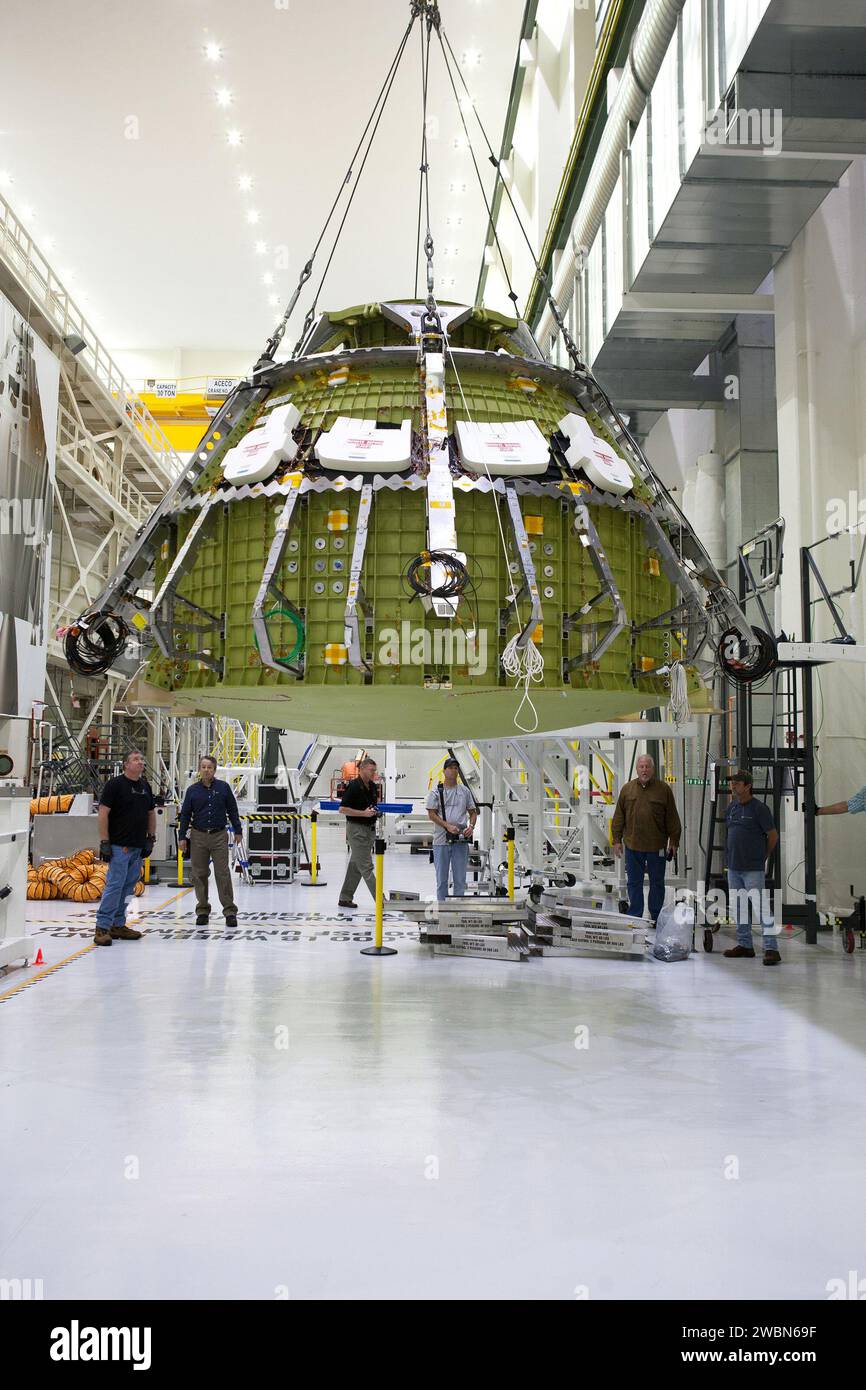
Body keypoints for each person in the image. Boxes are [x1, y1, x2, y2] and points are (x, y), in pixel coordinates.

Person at [94, 749, 155, 947]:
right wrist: (104, 841)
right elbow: (103, 813)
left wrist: (151, 838)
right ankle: (102, 927)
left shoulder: (145, 786)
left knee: (129, 887)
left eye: (141, 759)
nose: (140, 762)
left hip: (137, 847)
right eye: (136, 759)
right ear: (126, 764)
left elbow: (150, 813)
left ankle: (118, 924)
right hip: (120, 846)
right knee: (114, 885)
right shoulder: (115, 785)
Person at [611, 753, 681, 925]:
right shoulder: (627, 789)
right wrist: (616, 840)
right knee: (634, 883)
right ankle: (635, 915)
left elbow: (672, 818)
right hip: (633, 846)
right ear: (637, 769)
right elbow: (619, 816)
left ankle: (656, 916)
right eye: (641, 767)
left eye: (647, 766)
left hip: (656, 846)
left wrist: (674, 841)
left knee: (657, 883)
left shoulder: (663, 789)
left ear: (653, 769)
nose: (644, 770)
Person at [723, 769, 781, 965]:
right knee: (739, 907)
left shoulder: (760, 809)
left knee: (761, 907)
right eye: (733, 782)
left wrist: (762, 855)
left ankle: (771, 948)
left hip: (752, 868)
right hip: (734, 867)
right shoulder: (731, 808)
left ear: (748, 786)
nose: (733, 785)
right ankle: (745, 945)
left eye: (737, 783)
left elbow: (772, 836)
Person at [178, 755, 243, 928]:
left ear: (214, 770)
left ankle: (229, 912)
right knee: (199, 874)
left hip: (219, 836)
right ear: (200, 769)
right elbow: (185, 815)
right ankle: (202, 910)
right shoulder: (192, 791)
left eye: (210, 767)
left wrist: (238, 830)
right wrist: (182, 836)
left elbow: (233, 810)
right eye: (203, 767)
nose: (206, 770)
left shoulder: (223, 788)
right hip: (198, 836)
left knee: (222, 873)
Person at [425, 757, 478, 900]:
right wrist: (447, 826)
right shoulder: (436, 791)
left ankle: (458, 908)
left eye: (456, 768)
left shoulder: (464, 791)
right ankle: (442, 909)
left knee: (460, 879)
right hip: (441, 840)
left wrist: (471, 826)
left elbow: (473, 812)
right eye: (451, 768)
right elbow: (431, 814)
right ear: (444, 771)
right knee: (442, 880)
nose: (454, 771)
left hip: (460, 841)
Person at [338, 756, 380, 908]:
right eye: (371, 770)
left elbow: (371, 807)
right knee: (367, 867)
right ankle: (381, 901)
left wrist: (374, 812)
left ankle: (345, 897)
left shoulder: (373, 787)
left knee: (356, 865)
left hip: (369, 830)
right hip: (356, 830)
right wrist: (363, 814)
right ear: (361, 769)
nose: (374, 773)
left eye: (375, 770)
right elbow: (342, 809)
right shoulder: (354, 786)